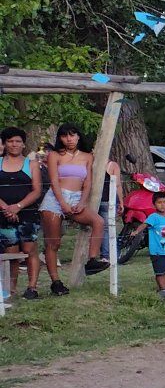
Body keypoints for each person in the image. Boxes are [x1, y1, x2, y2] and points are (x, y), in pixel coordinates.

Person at [38, 122, 108, 289]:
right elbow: (54, 180)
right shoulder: (55, 155)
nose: (69, 139)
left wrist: (82, 202)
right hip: (56, 198)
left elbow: (88, 182)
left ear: (78, 136)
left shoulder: (87, 156)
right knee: (53, 243)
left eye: (72, 134)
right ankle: (56, 282)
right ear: (60, 138)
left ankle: (92, 260)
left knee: (98, 221)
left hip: (77, 198)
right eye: (64, 135)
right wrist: (62, 203)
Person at [0, 127, 44, 300]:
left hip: (28, 214)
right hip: (3, 215)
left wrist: (18, 206)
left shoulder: (31, 164)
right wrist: (6, 209)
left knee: (29, 248)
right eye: (10, 141)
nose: (14, 144)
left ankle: (32, 288)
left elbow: (37, 190)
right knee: (10, 252)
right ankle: (10, 289)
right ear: (4, 143)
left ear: (23, 144)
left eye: (18, 141)